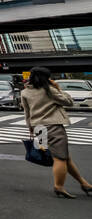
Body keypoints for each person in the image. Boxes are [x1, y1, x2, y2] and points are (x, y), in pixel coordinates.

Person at [21, 66, 92, 199]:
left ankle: (84, 183)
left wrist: (30, 128)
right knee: (60, 158)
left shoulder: (25, 92)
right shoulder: (49, 91)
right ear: (45, 78)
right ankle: (59, 186)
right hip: (53, 127)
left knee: (64, 157)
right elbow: (69, 102)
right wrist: (58, 88)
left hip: (38, 128)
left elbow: (27, 113)